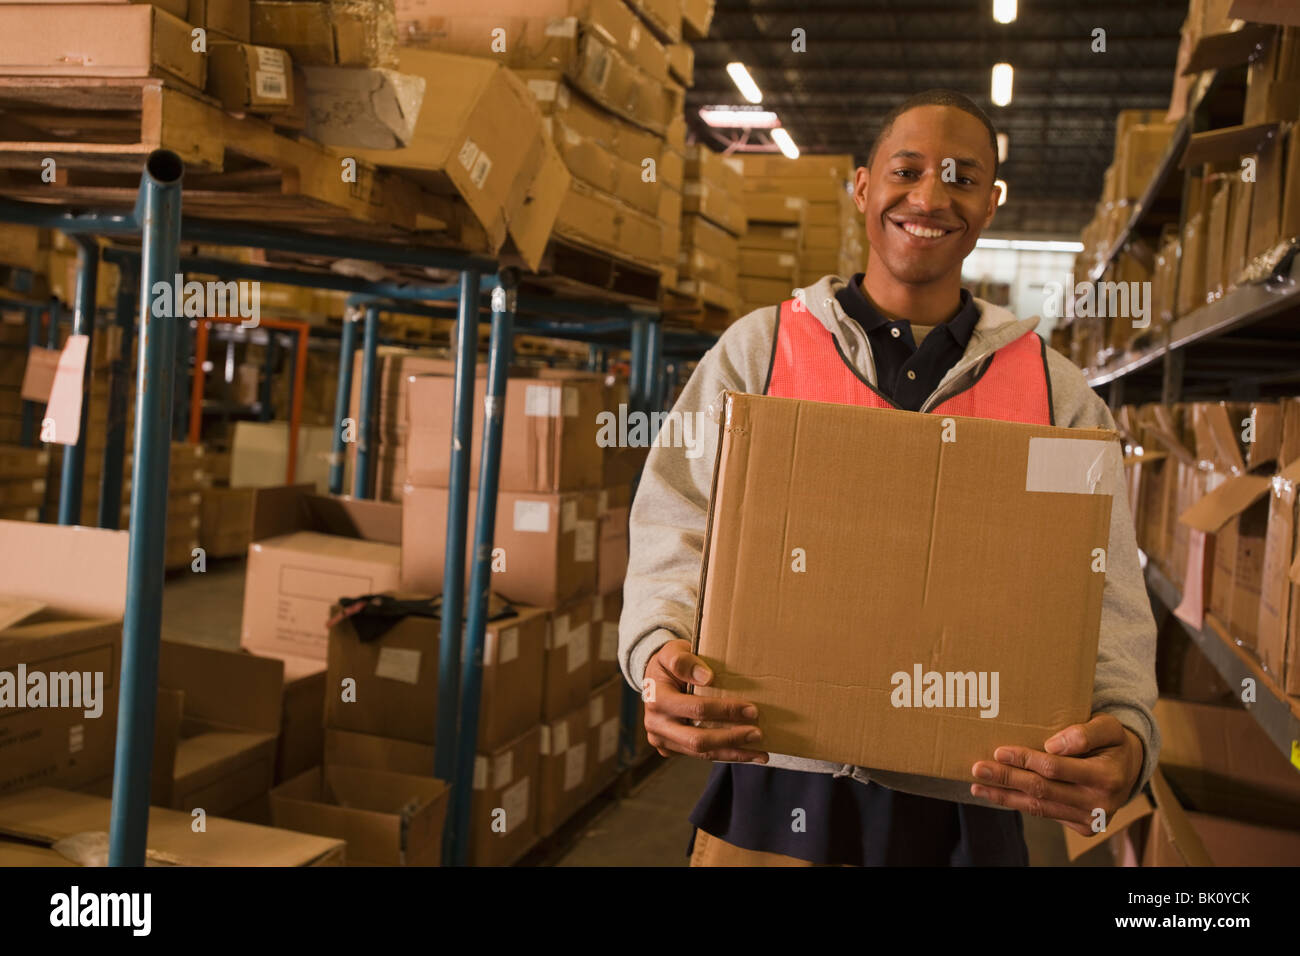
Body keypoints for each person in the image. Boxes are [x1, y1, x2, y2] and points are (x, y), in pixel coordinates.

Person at [617, 89, 1160, 867]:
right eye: (906, 170)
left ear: (992, 204)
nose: (930, 198)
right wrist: (656, 650)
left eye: (962, 178)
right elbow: (676, 516)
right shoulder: (760, 352)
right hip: (773, 793)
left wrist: (1128, 731)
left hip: (967, 811)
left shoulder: (1055, 393)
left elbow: (1101, 588)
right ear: (864, 187)